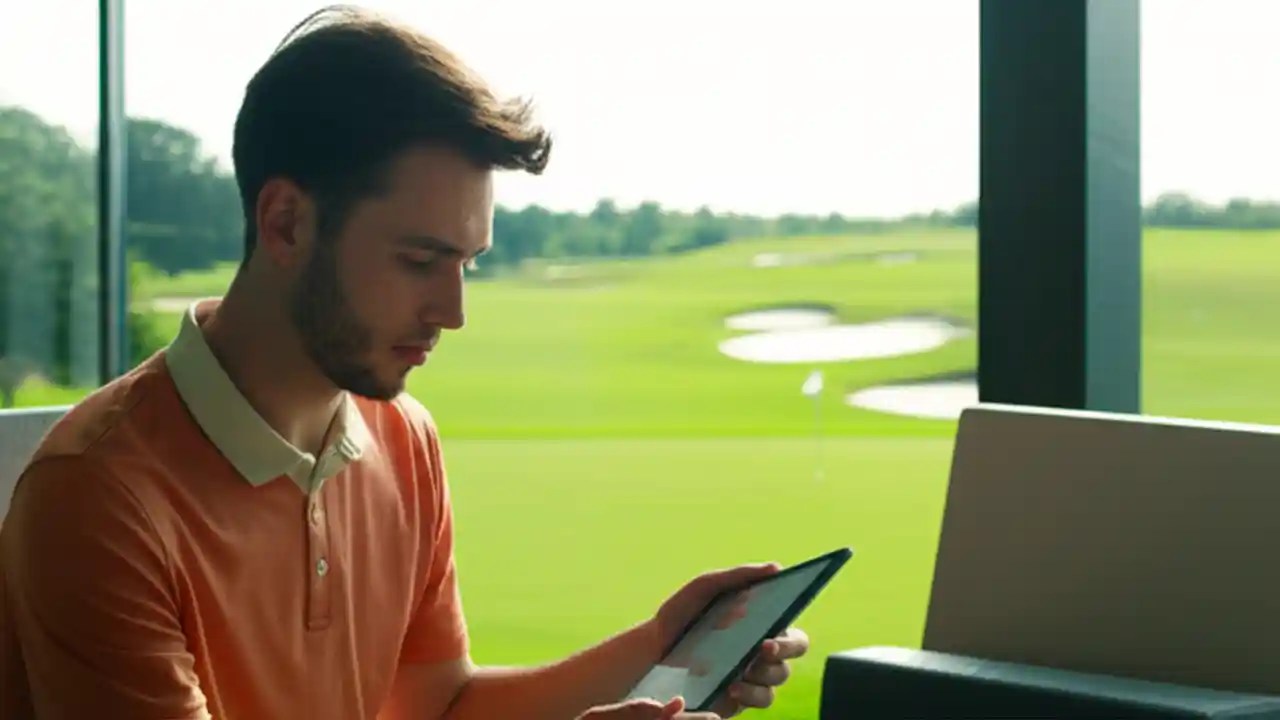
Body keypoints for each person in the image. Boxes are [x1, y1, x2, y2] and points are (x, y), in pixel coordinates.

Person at [0, 6, 810, 720]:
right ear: (285, 223)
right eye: (420, 259)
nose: (452, 313)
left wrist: (657, 650)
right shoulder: (97, 498)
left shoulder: (402, 437)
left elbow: (436, 705)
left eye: (469, 263)